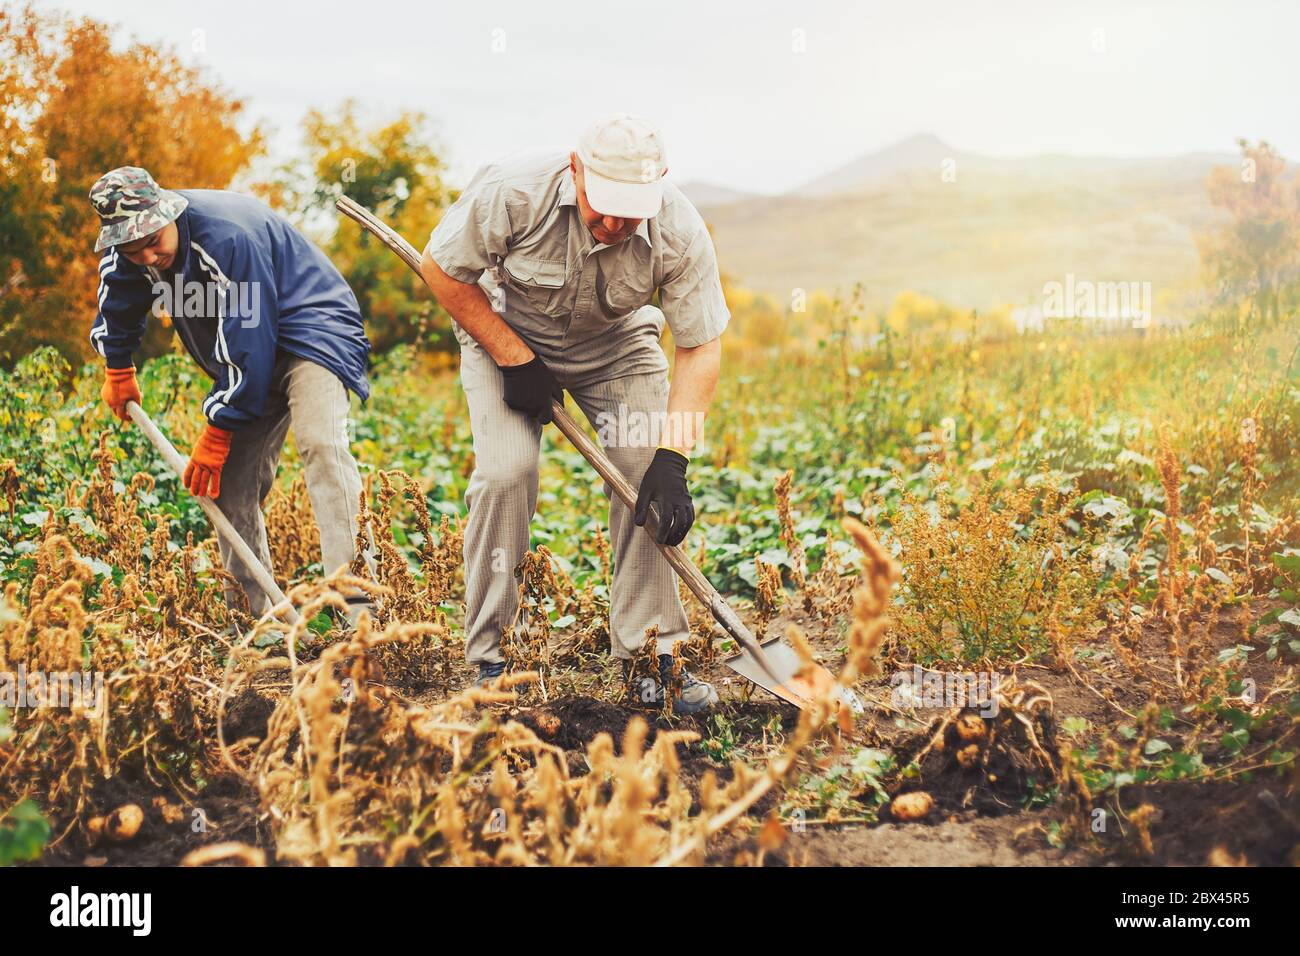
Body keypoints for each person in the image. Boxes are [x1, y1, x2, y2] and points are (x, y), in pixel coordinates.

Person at [420, 114, 730, 714]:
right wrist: (513, 358)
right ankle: (490, 659)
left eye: (630, 211)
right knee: (507, 473)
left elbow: (700, 344)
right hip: (504, 333)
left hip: (616, 345)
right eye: (602, 205)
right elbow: (442, 268)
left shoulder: (680, 230)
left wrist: (675, 456)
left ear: (659, 186)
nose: (614, 224)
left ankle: (649, 660)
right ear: (576, 170)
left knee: (646, 476)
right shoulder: (513, 191)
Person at [89, 166, 373, 621]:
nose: (145, 256)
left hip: (312, 331)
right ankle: (260, 622)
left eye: (152, 241)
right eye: (131, 247)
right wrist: (118, 365)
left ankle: (360, 614)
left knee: (321, 446)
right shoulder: (132, 253)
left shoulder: (226, 238)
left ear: (167, 211)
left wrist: (218, 432)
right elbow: (118, 298)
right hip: (251, 356)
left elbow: (249, 337)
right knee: (226, 487)